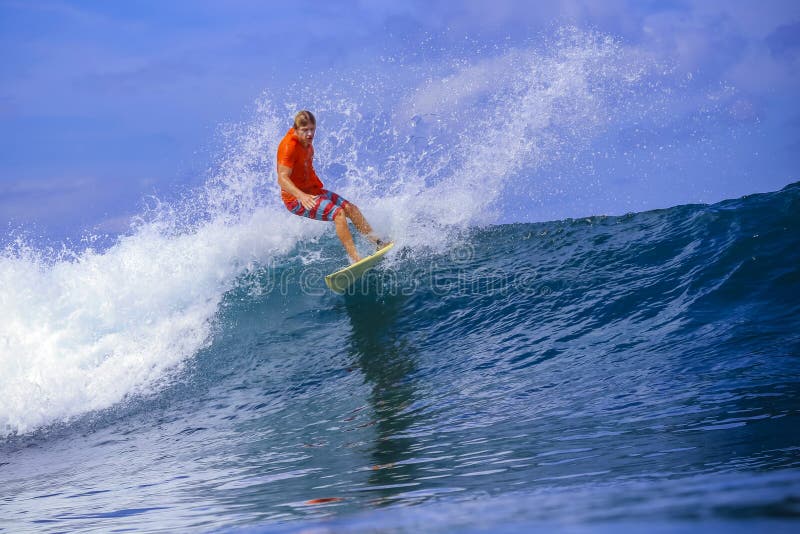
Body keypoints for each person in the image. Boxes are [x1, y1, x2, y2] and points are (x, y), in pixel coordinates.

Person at [277, 110, 388, 263]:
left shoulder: (307, 143)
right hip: (295, 199)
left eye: (312, 129)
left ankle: (378, 244)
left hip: (313, 191)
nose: (310, 134)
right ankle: (356, 258)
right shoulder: (289, 146)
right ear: (295, 129)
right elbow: (282, 178)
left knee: (350, 208)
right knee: (338, 213)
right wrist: (301, 196)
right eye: (305, 130)